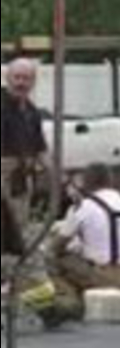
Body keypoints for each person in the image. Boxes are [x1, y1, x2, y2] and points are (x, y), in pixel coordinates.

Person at [21, 163, 120, 329]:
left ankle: (68, 302)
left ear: (89, 182)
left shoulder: (87, 205)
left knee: (53, 259)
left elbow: (58, 245)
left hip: (104, 274)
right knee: (75, 262)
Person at [2, 59, 48, 264]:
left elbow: (41, 150)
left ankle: (11, 277)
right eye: (17, 77)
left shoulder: (31, 112)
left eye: (26, 78)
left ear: (33, 82)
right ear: (7, 78)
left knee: (18, 228)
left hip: (20, 179)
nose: (21, 83)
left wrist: (61, 179)